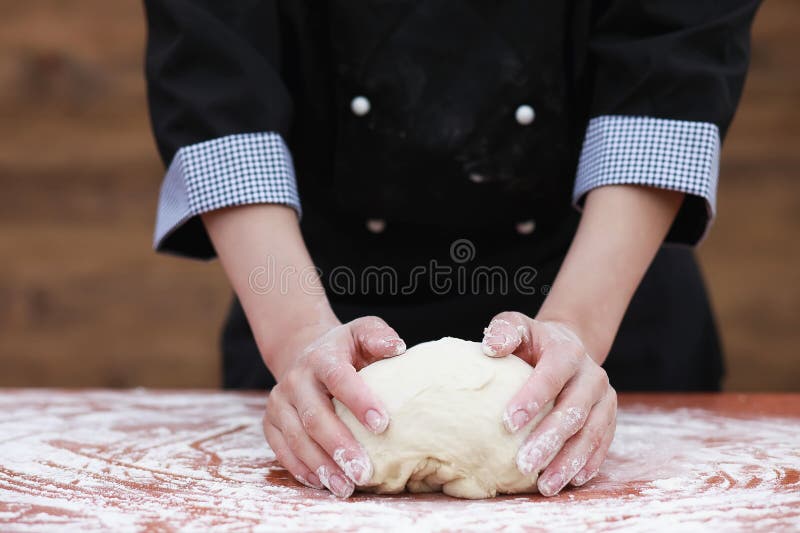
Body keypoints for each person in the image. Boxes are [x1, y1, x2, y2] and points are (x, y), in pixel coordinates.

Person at [144, 1, 760, 498]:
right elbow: (214, 68)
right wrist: (297, 336)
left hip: (603, 289)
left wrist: (575, 326)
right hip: (309, 299)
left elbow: (671, 62)